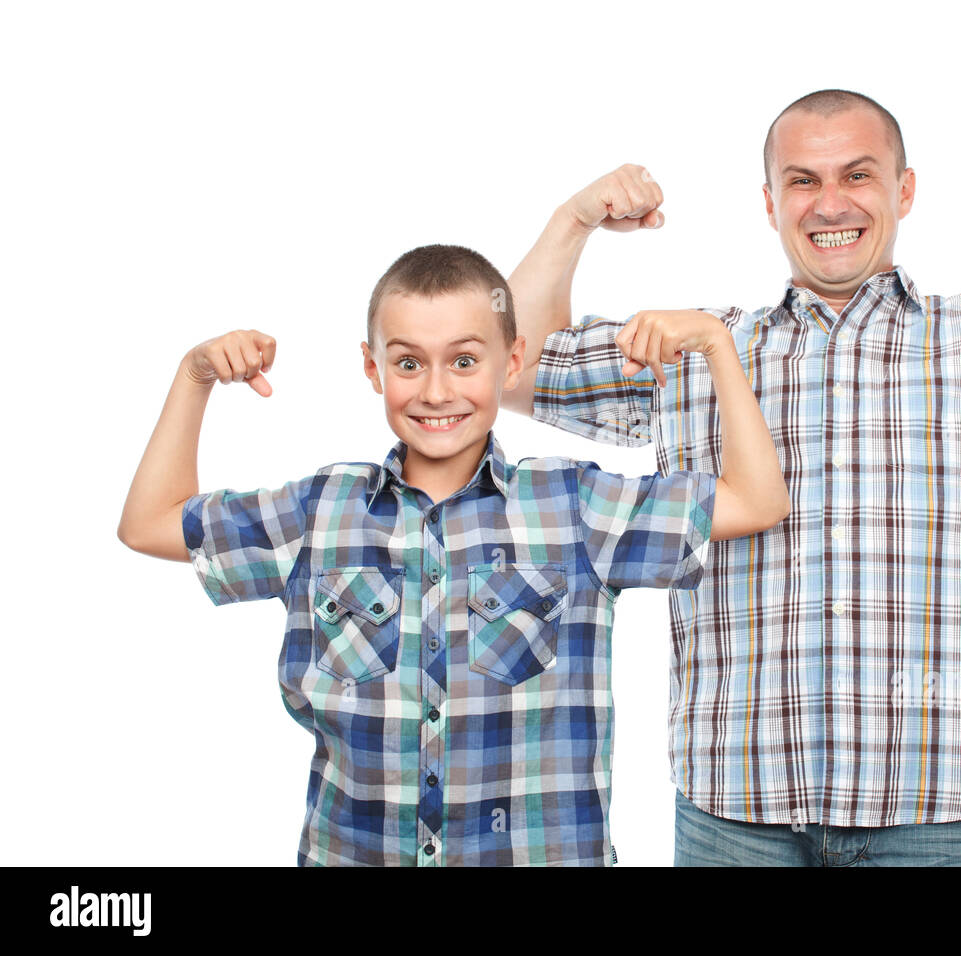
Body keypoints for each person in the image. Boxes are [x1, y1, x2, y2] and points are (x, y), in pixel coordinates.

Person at [502, 90, 961, 866]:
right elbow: (506, 368)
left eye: (857, 175)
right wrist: (574, 219)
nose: (830, 203)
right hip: (735, 815)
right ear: (769, 203)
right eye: (802, 181)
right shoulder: (697, 348)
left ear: (904, 190)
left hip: (943, 819)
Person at [116, 244, 789, 866]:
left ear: (513, 361)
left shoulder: (575, 507)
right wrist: (194, 375)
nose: (436, 391)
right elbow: (148, 524)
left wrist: (716, 347)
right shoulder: (318, 512)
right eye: (409, 362)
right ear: (372, 367)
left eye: (465, 360)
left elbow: (756, 502)